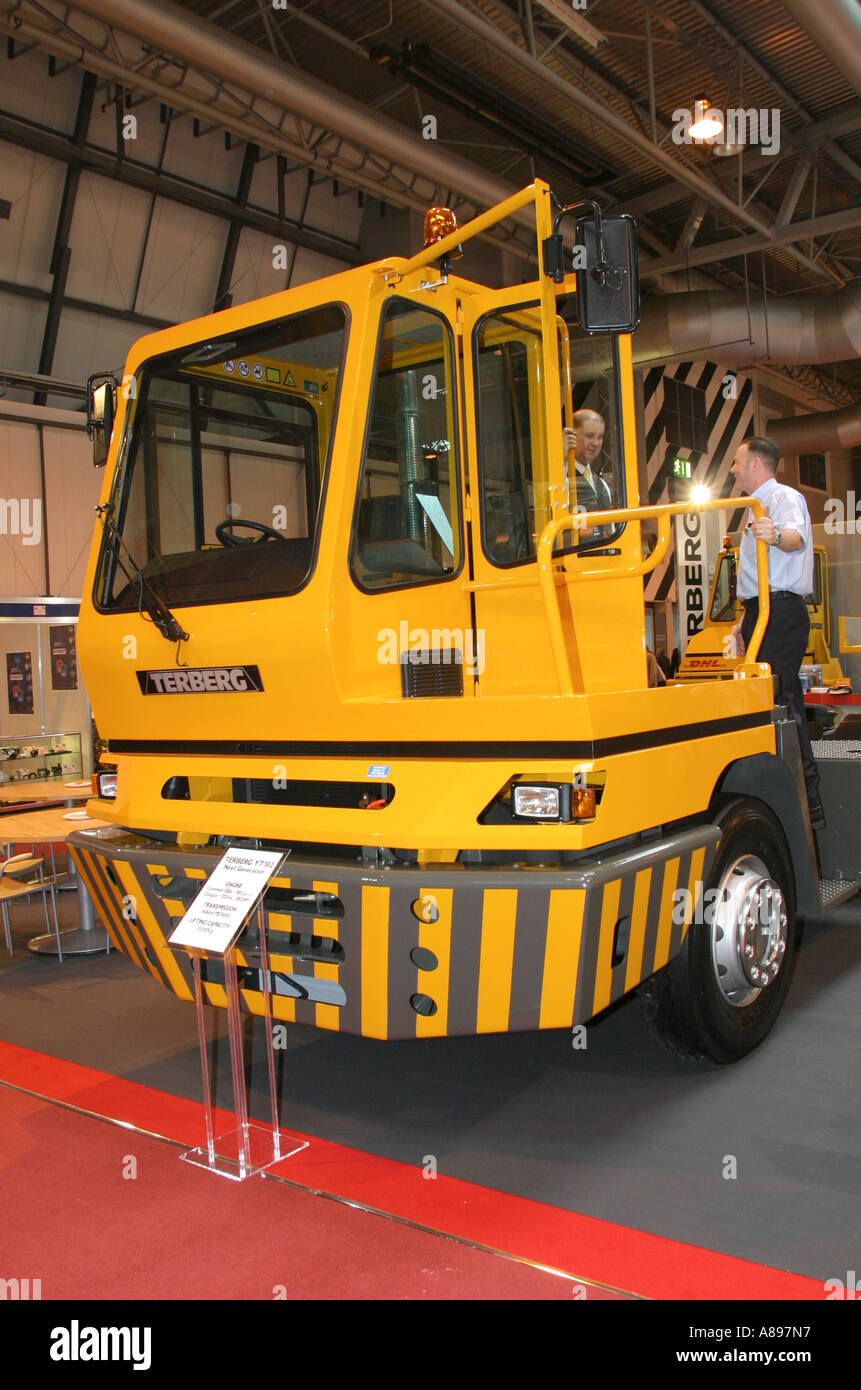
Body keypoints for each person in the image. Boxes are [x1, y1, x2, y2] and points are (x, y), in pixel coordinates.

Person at [729, 436, 824, 828]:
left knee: (782, 700)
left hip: (781, 610)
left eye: (737, 462)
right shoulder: (755, 506)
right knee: (766, 700)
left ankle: (807, 801)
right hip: (762, 609)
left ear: (756, 464)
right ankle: (784, 790)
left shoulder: (782, 498)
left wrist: (775, 535)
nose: (733, 469)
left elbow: (794, 537)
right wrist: (744, 618)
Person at [562, 408, 612, 536]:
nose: (595, 443)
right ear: (571, 436)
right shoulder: (560, 479)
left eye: (600, 437)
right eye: (589, 436)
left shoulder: (602, 484)